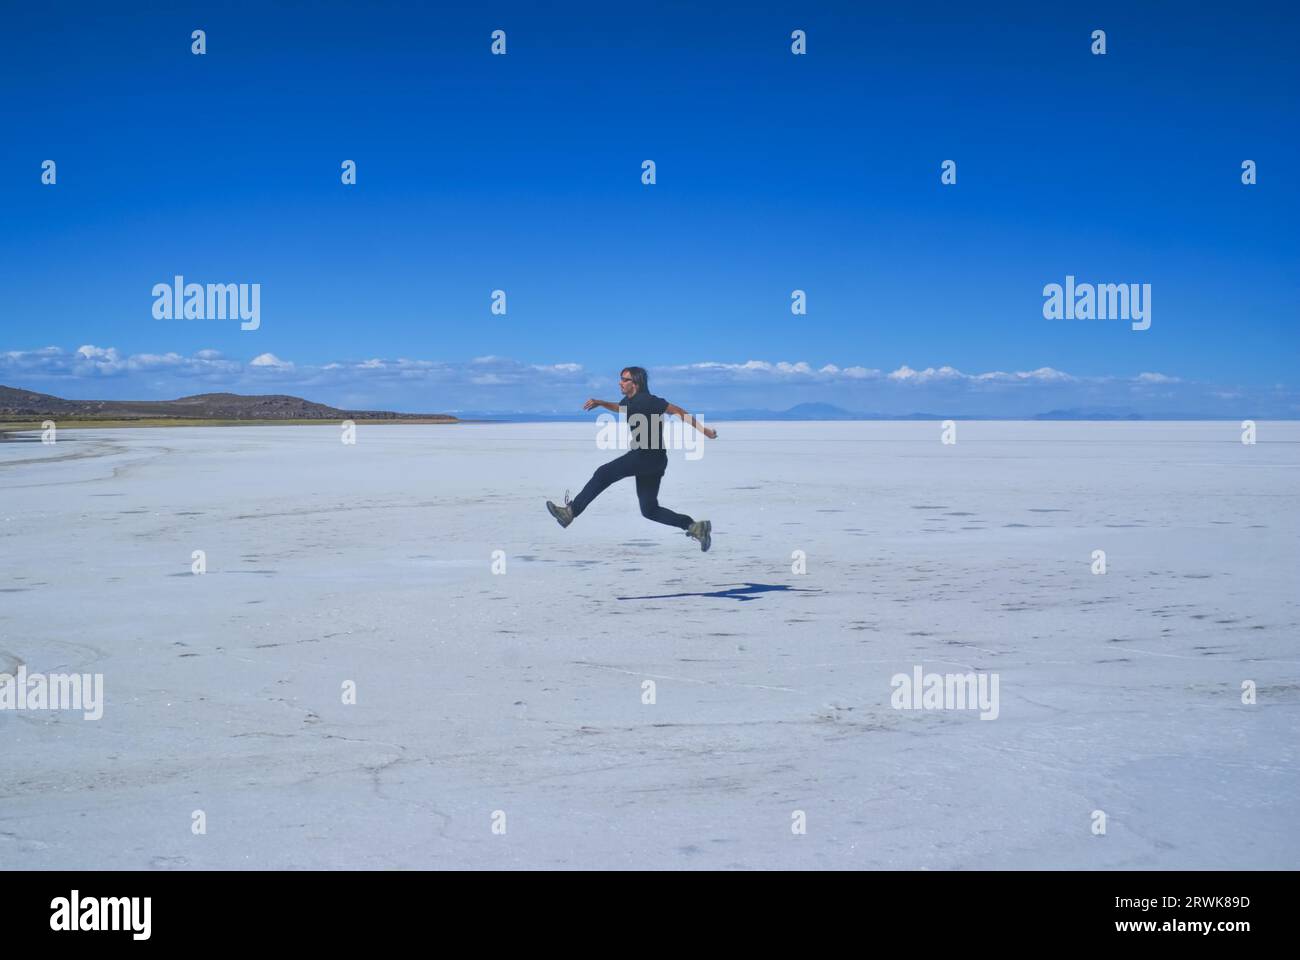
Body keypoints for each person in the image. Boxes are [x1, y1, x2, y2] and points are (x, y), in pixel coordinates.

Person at [546, 366, 717, 551]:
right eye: (620, 378)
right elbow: (620, 408)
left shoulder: (649, 400)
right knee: (649, 510)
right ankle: (695, 527)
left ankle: (571, 512)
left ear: (636, 383)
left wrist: (705, 431)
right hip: (656, 461)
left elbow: (678, 412)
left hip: (646, 455)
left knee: (604, 473)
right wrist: (602, 403)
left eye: (624, 379)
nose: (620, 382)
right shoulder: (629, 401)